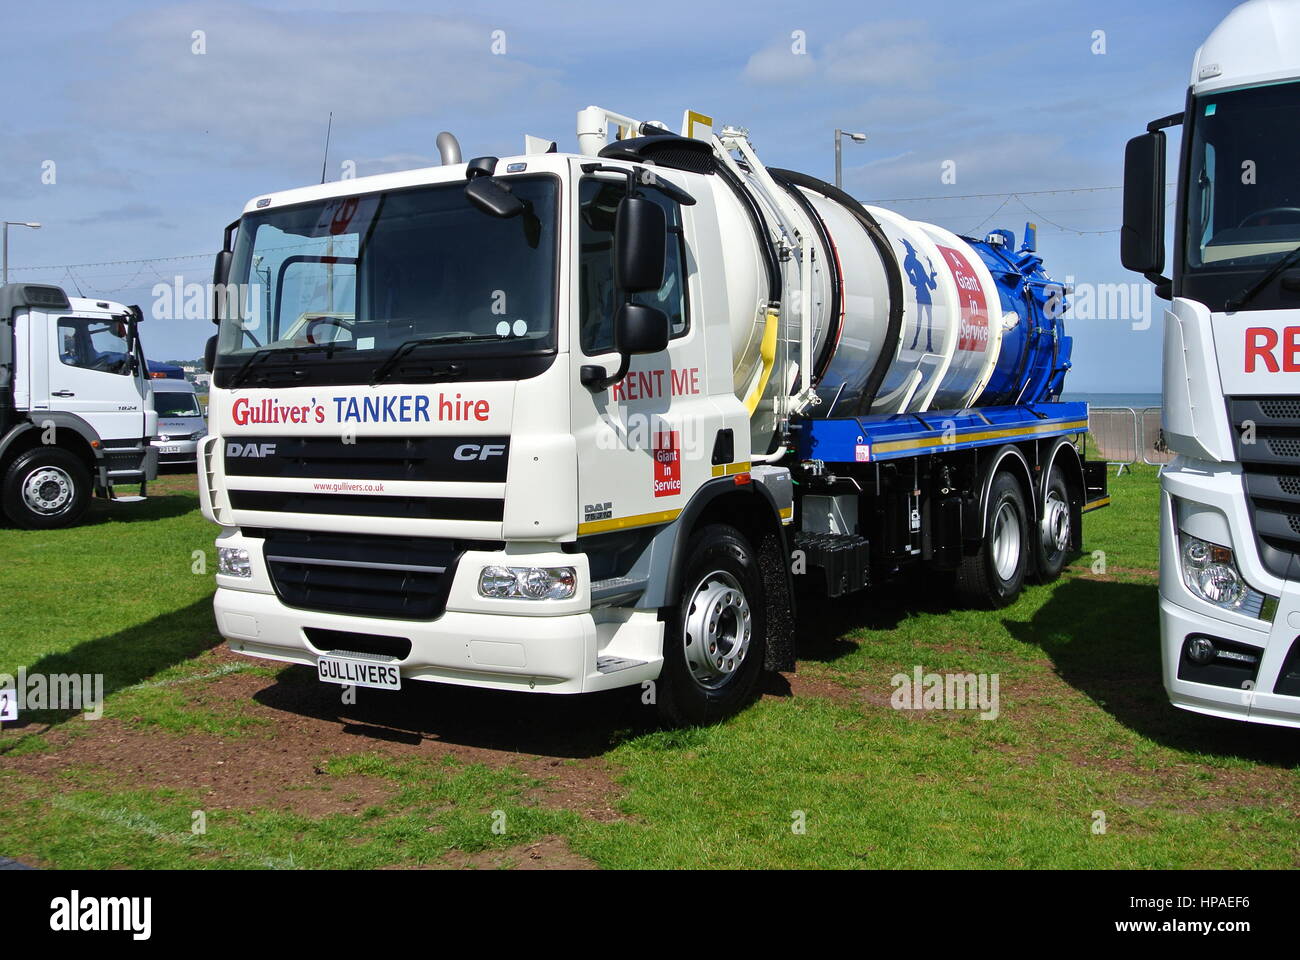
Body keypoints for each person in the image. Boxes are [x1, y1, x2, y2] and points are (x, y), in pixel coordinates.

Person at [901, 239, 939, 352]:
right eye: (910, 251)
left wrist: (932, 276)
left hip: (925, 293)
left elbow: (932, 286)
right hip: (920, 292)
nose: (911, 253)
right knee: (920, 319)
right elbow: (910, 276)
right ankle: (916, 342)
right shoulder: (910, 261)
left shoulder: (917, 263)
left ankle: (928, 344)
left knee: (928, 320)